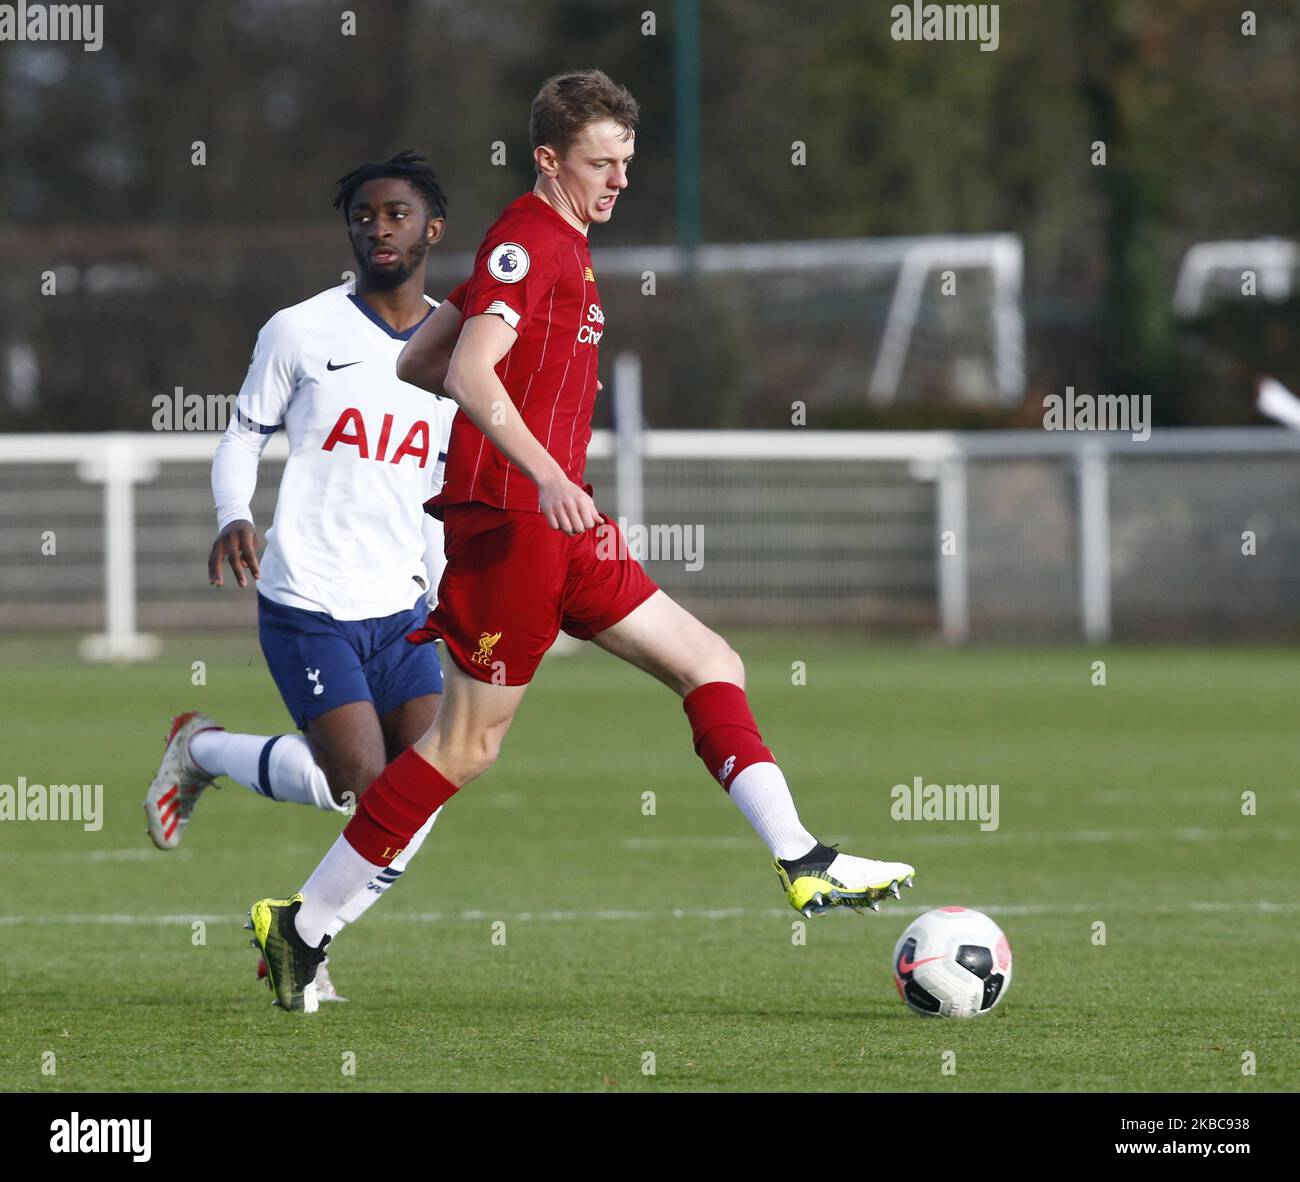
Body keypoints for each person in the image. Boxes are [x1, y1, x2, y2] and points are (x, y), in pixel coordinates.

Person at [248, 73, 915, 1013]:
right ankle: (305, 927)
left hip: (567, 527)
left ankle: (802, 857)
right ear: (550, 160)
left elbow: (417, 361)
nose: (618, 180)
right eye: (601, 163)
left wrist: (553, 474)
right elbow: (474, 370)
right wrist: (546, 472)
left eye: (627, 163)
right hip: (519, 526)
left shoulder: (555, 243)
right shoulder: (529, 238)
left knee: (710, 660)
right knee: (465, 746)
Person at [144, 152, 460, 1001]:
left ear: (433, 229)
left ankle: (300, 932)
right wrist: (233, 514)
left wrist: (449, 595)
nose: (378, 227)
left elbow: (442, 486)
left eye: (397, 214)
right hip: (309, 602)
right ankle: (205, 758)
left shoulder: (459, 350)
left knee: (422, 792)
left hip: (404, 611)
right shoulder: (300, 330)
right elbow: (241, 434)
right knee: (365, 794)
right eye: (363, 215)